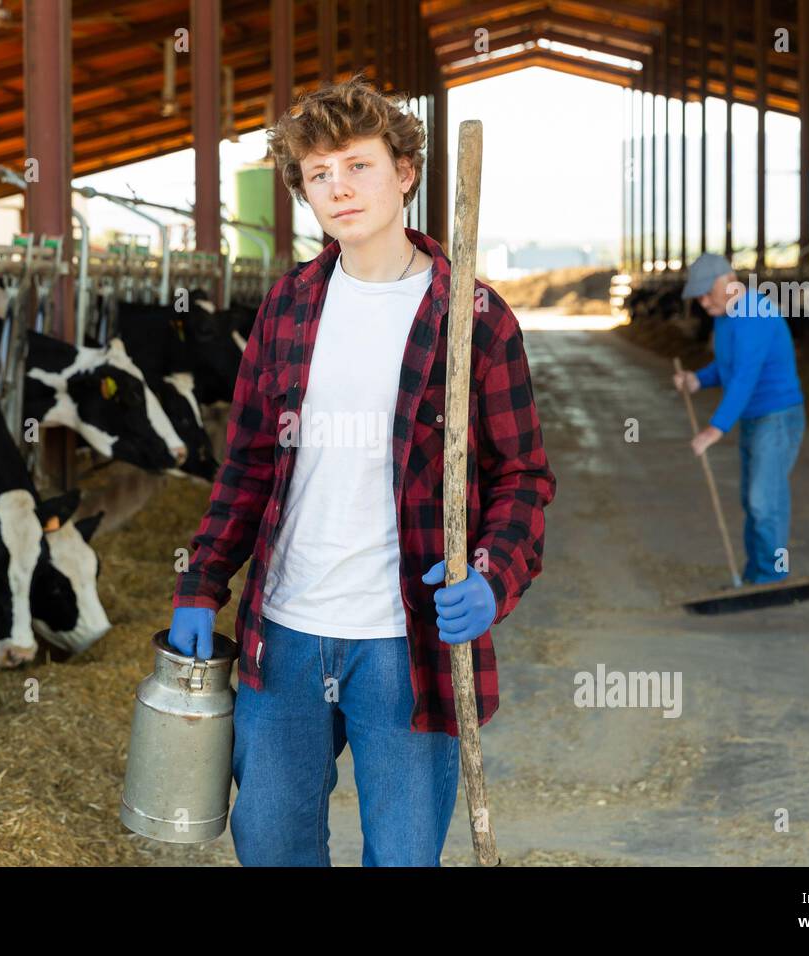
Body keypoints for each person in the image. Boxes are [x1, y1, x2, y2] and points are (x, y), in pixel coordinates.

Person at [165, 75, 555, 866]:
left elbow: (522, 476)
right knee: (272, 846)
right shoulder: (288, 307)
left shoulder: (472, 317)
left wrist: (491, 575)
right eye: (318, 174)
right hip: (288, 632)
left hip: (405, 646)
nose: (338, 188)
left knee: (405, 857)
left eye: (357, 165)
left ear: (405, 170)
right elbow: (245, 464)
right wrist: (202, 584)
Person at [673, 253, 806, 585]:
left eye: (707, 293)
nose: (703, 302)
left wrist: (715, 429)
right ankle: (756, 573)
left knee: (765, 500)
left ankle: (773, 577)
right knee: (753, 499)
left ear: (729, 281)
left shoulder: (754, 314)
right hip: (755, 418)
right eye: (698, 296)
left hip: (777, 418)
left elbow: (745, 377)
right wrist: (698, 379)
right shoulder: (727, 316)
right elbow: (728, 366)